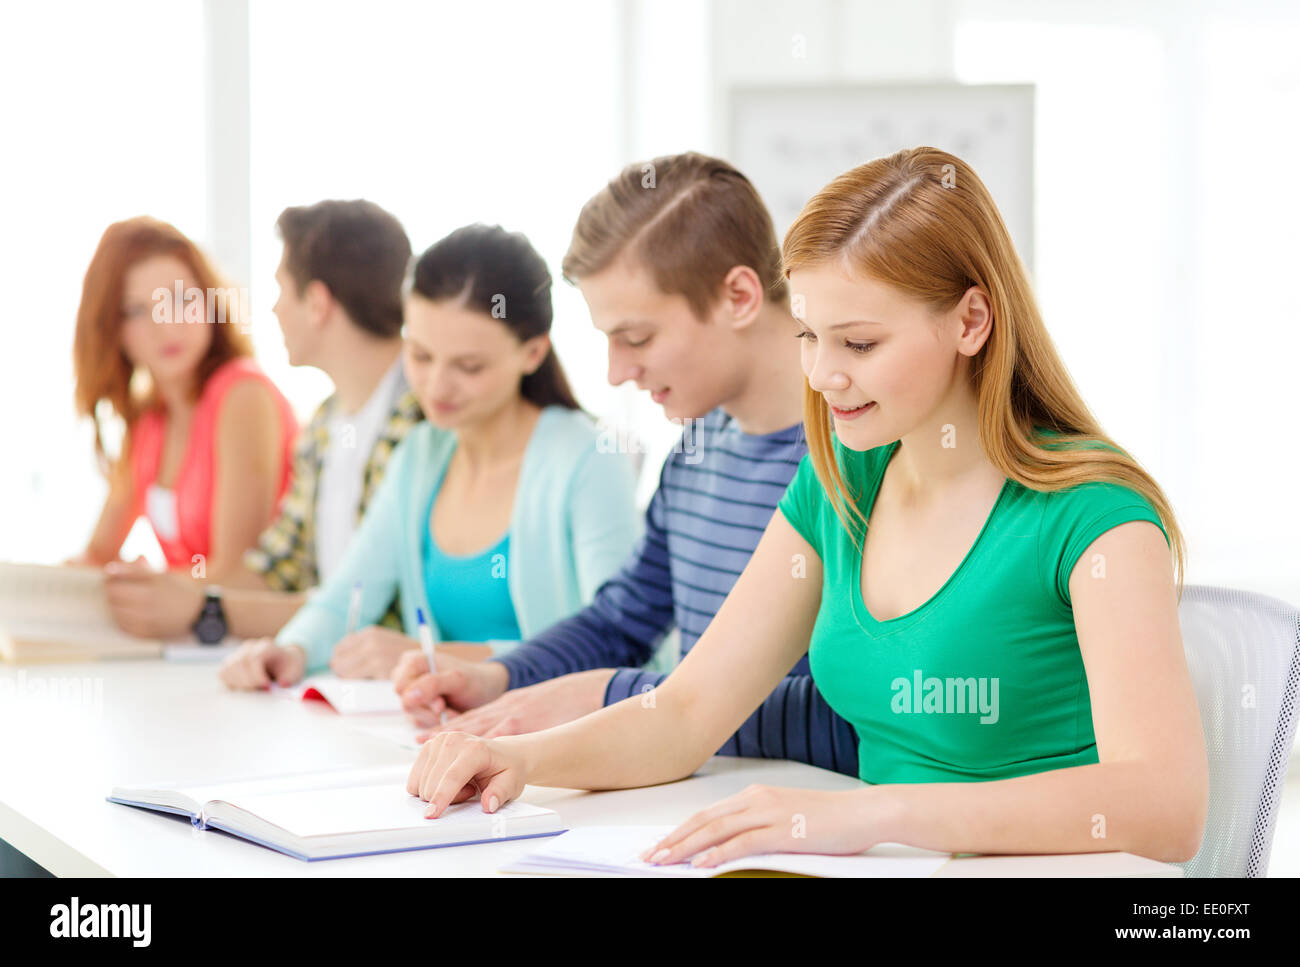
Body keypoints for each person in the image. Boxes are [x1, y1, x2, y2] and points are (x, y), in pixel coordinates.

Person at [405, 148, 1209, 867]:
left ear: (971, 320)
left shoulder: (1095, 514)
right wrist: (521, 758)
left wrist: (879, 811)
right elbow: (686, 709)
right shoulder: (840, 482)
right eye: (811, 339)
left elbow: (1168, 811)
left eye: (858, 345)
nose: (823, 376)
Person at [394, 152, 861, 776]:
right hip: (699, 802)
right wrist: (500, 676)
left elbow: (860, 713)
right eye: (607, 342)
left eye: (637, 339)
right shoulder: (697, 450)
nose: (617, 372)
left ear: (740, 296)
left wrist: (611, 696)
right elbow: (623, 619)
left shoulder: (859, 455)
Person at [219, 224, 641, 688]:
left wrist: (435, 656)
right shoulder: (420, 456)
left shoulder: (588, 459)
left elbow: (616, 642)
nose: (437, 387)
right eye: (420, 356)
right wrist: (290, 650)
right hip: (452, 735)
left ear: (533, 352)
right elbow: (345, 599)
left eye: (468, 366)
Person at [102, 200, 426, 647]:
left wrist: (204, 608)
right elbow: (277, 570)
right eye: (136, 311)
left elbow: (374, 612)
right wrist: (172, 593)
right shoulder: (325, 426)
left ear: (316, 303)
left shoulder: (428, 420)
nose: (273, 309)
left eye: (281, 290)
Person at [71, 216, 296, 583]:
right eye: (137, 311)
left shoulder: (243, 395)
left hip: (256, 635)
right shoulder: (149, 421)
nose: (166, 326)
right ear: (112, 329)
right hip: (190, 638)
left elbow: (237, 575)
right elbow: (97, 554)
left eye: (180, 299)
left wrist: (151, 584)